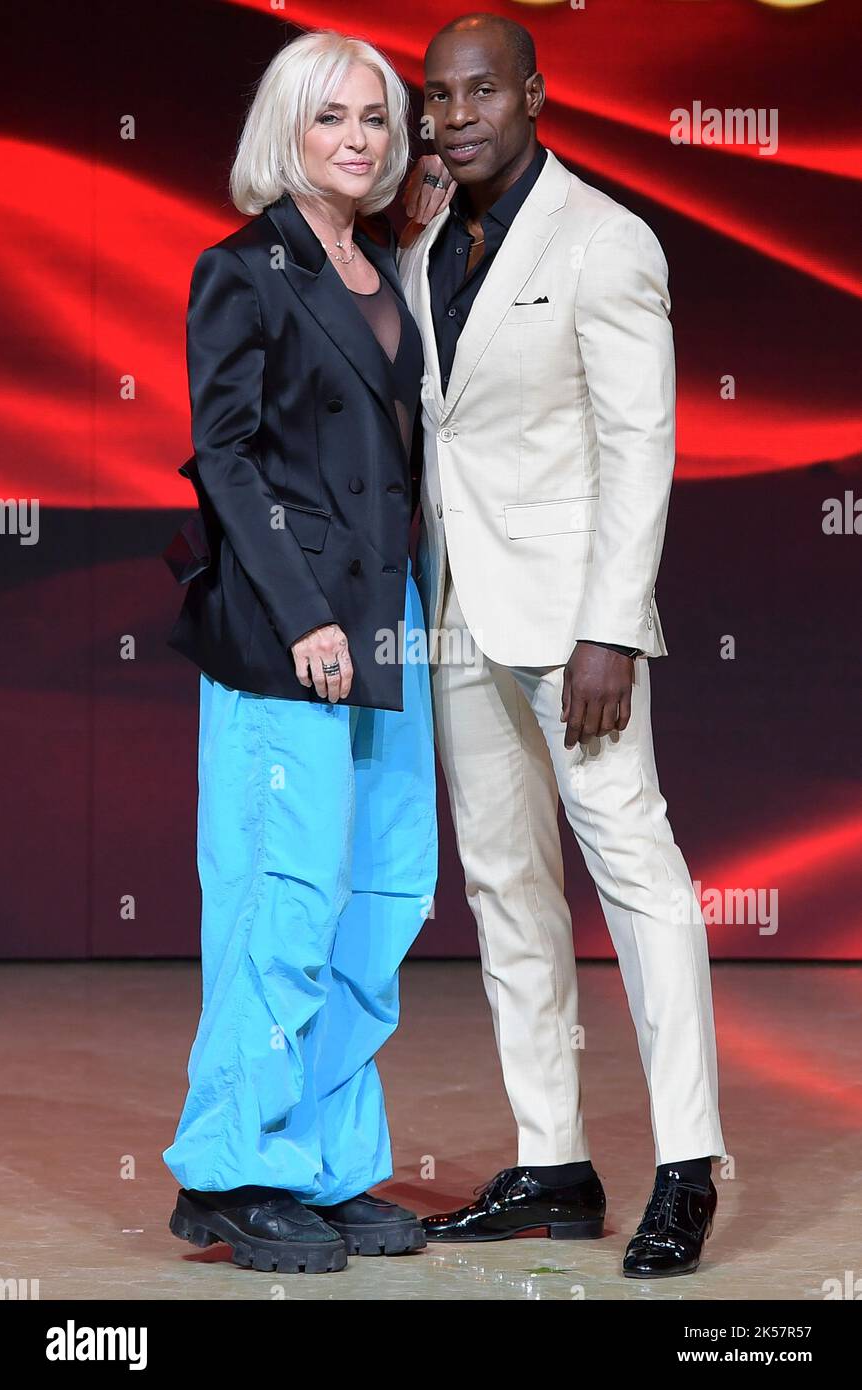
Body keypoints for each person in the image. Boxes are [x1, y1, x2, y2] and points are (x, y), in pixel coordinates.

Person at [398, 12, 727, 1278]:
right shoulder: (428, 243)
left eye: (481, 90)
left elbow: (640, 444)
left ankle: (687, 1164)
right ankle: (554, 1164)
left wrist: (609, 627)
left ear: (534, 93)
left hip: (573, 630)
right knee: (501, 884)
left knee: (634, 871)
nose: (455, 113)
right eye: (438, 95)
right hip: (458, 619)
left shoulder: (604, 239)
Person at [160, 30, 443, 1274]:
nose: (357, 140)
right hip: (293, 636)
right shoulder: (241, 270)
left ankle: (321, 1163)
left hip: (392, 626)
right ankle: (232, 1167)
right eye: (332, 118)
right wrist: (302, 611)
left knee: (379, 898)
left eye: (375, 119)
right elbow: (224, 460)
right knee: (281, 901)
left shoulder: (385, 266)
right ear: (287, 128)